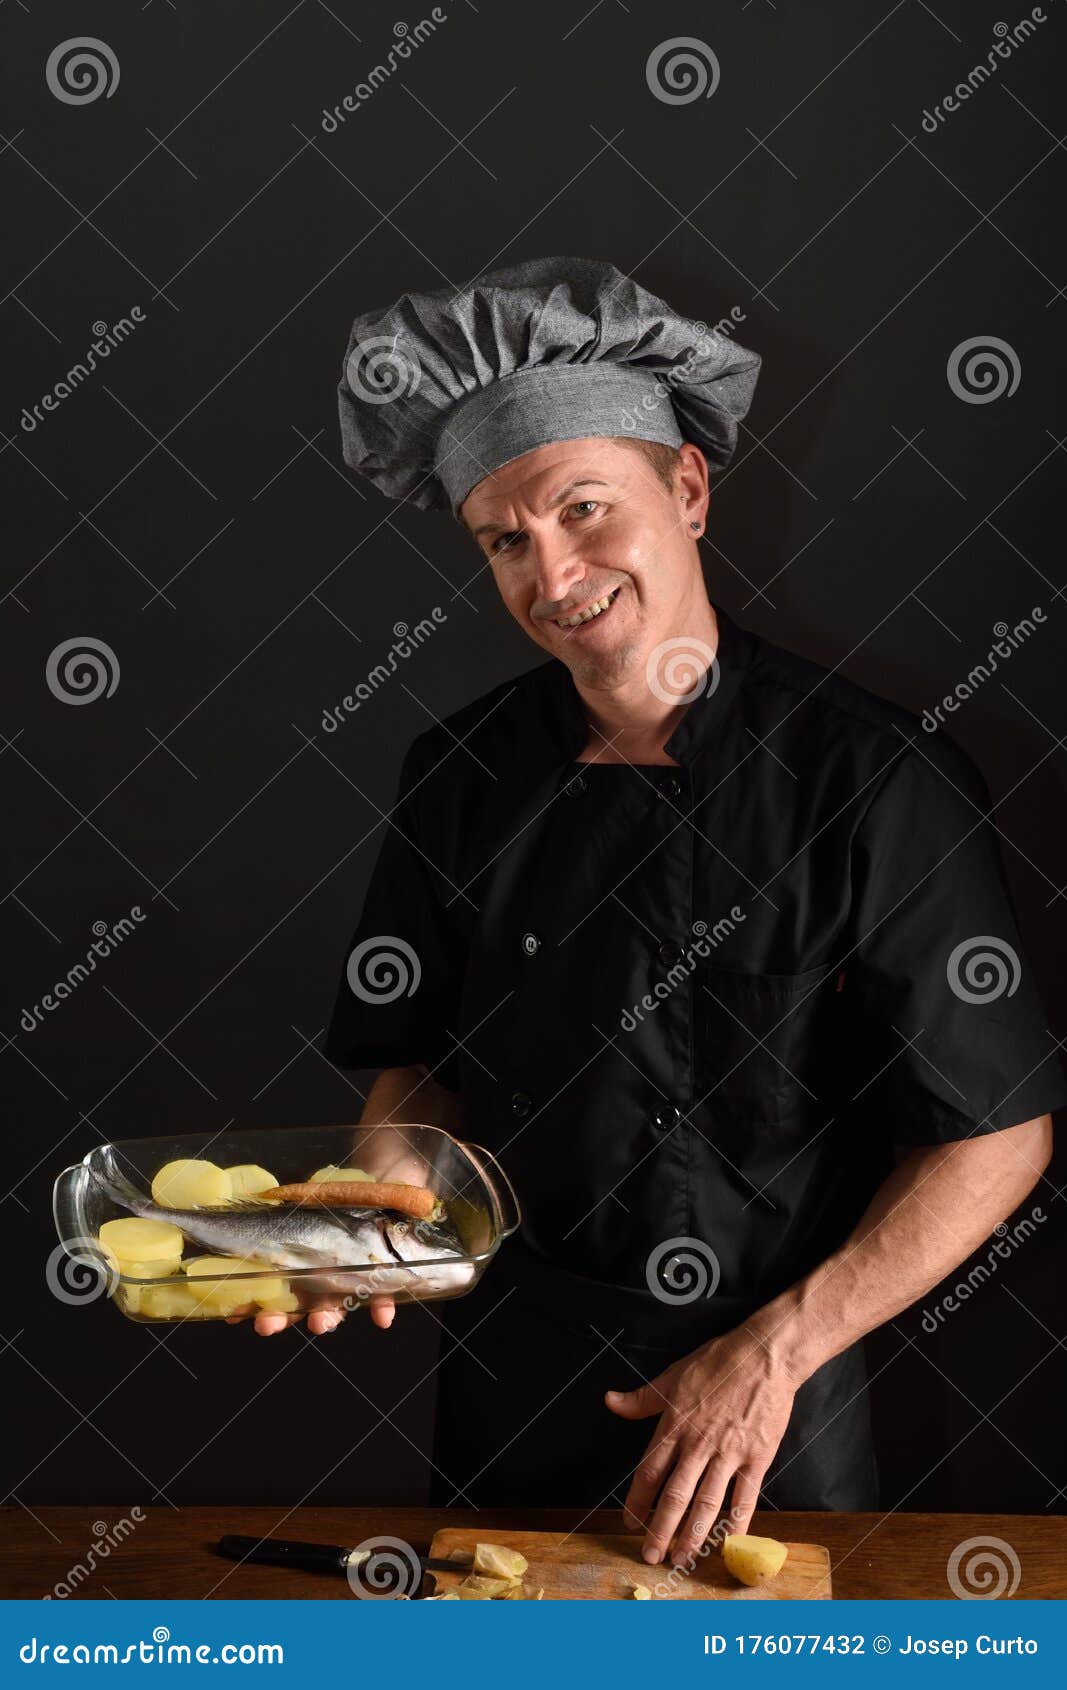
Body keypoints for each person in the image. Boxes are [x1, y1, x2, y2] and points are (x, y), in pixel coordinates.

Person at [256, 258, 1065, 1569]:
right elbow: (421, 1073)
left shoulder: (873, 778)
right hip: (511, 1397)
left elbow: (1000, 1138)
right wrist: (389, 1192)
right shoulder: (454, 779)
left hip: (771, 1409)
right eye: (504, 540)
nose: (553, 572)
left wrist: (774, 1351)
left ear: (687, 488)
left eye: (585, 509)